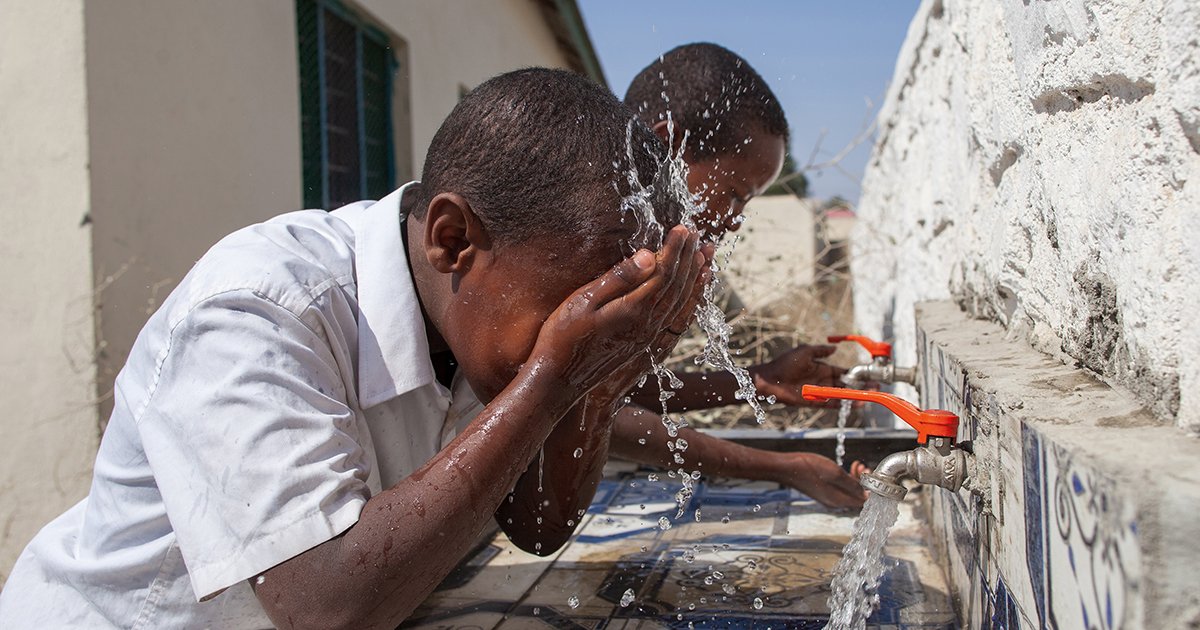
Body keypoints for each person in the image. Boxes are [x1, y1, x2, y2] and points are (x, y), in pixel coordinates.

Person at [0, 68, 711, 629]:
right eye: (575, 306)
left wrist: (597, 382)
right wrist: (556, 377)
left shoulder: (478, 312)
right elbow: (328, 607)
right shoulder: (259, 308)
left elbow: (536, 523)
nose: (583, 326)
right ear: (453, 240)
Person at [608, 43, 870, 507]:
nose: (733, 222)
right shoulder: (588, 247)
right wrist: (783, 467)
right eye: (734, 194)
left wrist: (760, 381)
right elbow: (588, 415)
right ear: (669, 145)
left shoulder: (633, 242)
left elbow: (606, 394)